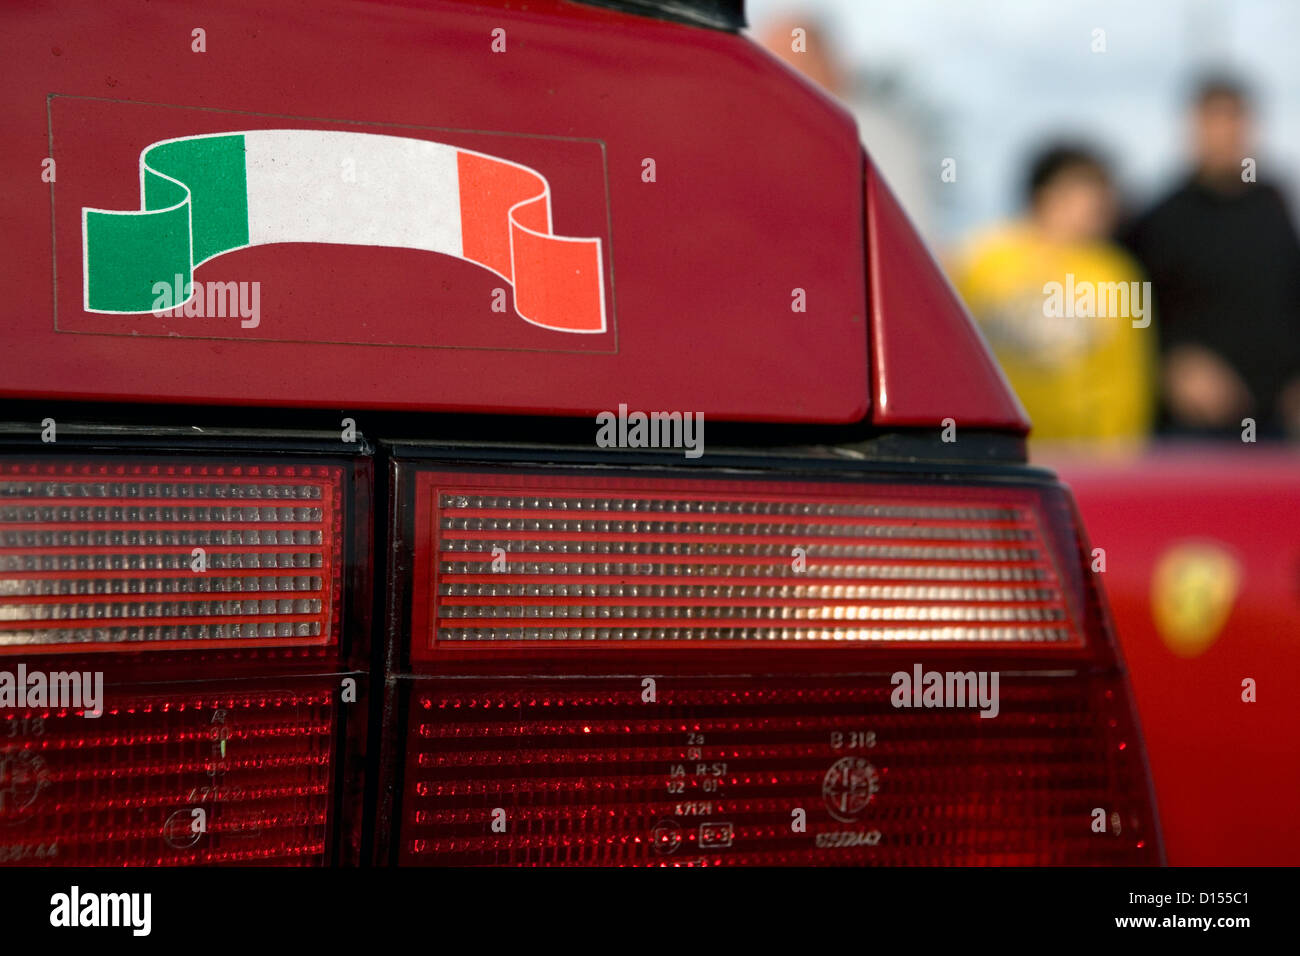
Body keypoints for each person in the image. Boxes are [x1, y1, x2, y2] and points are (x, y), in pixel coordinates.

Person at [1119, 76, 1300, 439]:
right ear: (1193, 128)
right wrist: (1171, 364)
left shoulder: (1278, 207)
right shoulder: (1158, 219)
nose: (1226, 134)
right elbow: (1126, 311)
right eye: (1213, 121)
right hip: (1194, 426)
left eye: (1235, 120)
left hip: (1278, 422)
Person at [952, 145, 1156, 443]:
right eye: (1088, 192)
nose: (1103, 204)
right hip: (997, 449)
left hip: (1086, 459)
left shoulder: (1120, 271)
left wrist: (1121, 451)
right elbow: (957, 351)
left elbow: (1131, 377)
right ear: (1046, 195)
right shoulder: (982, 258)